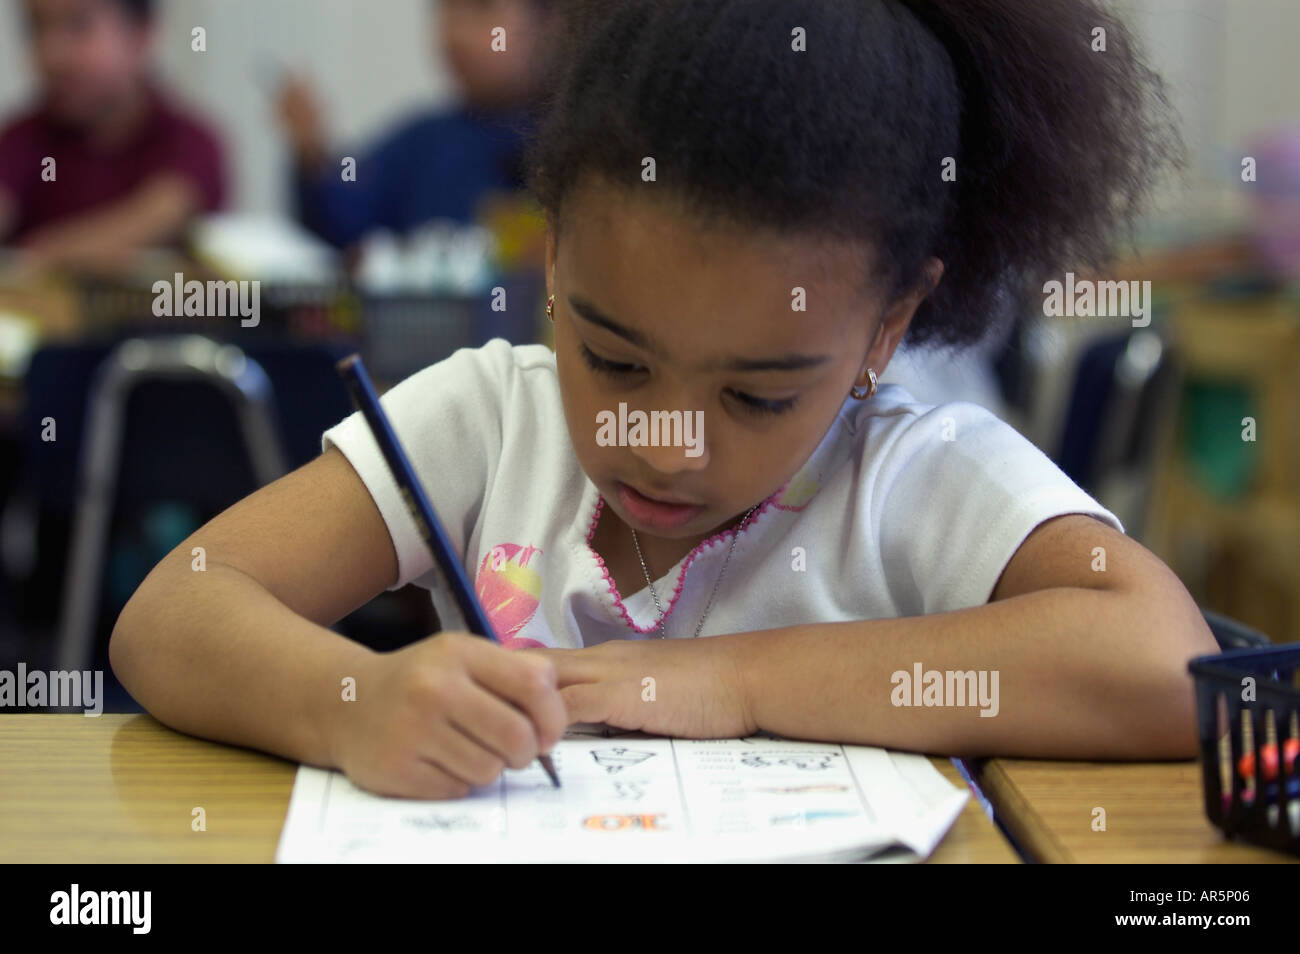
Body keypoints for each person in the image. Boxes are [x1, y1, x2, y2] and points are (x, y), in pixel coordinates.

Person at [112, 0, 1217, 801]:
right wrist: (353, 702)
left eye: (756, 393)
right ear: (551, 262)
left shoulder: (913, 474)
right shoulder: (490, 421)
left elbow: (1165, 670)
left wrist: (726, 679)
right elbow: (173, 615)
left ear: (886, 325)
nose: (669, 446)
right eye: (617, 363)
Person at [278, 0, 558, 250]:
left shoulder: (569, 142)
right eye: (446, 8)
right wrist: (313, 156)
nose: (456, 32)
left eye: (480, 7)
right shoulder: (423, 142)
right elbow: (343, 220)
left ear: (546, 24)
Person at [0, 0, 226, 274]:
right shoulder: (20, 139)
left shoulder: (190, 143)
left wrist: (36, 258)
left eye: (78, 25)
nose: (52, 54)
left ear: (141, 36)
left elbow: (149, 222)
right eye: (36, 27)